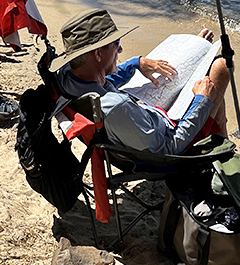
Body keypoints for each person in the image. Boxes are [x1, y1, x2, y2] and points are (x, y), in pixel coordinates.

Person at [48, 8, 229, 155]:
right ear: (97, 54)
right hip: (171, 142)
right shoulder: (117, 106)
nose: (120, 49)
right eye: (116, 43)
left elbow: (103, 81)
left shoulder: (68, 77)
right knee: (221, 67)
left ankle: (224, 151)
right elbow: (170, 148)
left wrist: (136, 63)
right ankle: (224, 155)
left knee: (204, 65)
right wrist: (201, 101)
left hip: (141, 125)